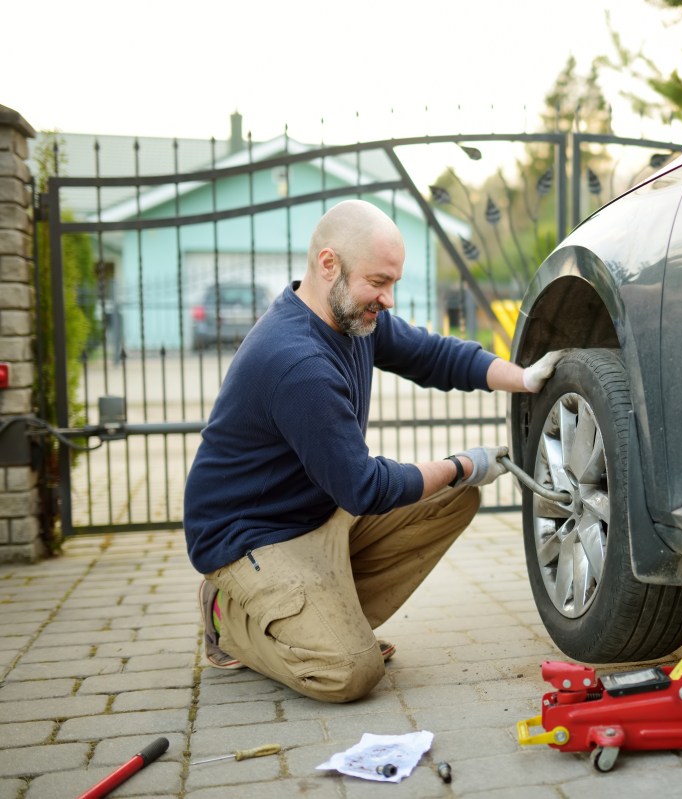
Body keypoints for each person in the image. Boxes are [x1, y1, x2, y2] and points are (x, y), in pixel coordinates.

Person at [183, 199, 566, 703]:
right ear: (328, 264)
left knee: (455, 497)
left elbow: (432, 355)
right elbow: (364, 488)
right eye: (378, 282)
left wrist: (519, 377)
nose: (387, 299)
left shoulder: (350, 317)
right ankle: (230, 617)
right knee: (349, 672)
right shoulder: (297, 362)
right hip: (251, 537)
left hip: (313, 512)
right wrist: (463, 464)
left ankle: (321, 619)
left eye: (393, 283)